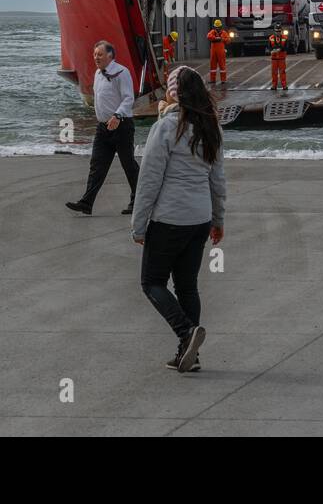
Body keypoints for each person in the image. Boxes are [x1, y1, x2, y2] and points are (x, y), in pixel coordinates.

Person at [131, 65, 225, 373]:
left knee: (151, 282)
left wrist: (139, 224)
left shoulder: (167, 127)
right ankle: (190, 355)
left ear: (173, 94)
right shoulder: (211, 126)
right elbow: (217, 178)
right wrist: (217, 219)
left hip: (169, 218)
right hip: (199, 219)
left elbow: (149, 180)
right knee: (187, 286)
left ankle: (186, 332)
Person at [66, 40, 139, 216]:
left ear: (110, 55)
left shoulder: (122, 72)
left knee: (128, 163)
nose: (96, 57)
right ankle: (86, 203)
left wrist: (118, 115)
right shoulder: (98, 73)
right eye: (94, 54)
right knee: (97, 164)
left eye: (99, 54)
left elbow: (129, 98)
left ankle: (138, 200)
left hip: (121, 126)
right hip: (103, 128)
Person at [206, 19, 228, 86]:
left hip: (221, 52)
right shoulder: (212, 32)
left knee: (222, 66)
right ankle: (213, 80)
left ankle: (223, 80)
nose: (217, 28)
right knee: (213, 66)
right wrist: (216, 38)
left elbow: (228, 40)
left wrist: (222, 39)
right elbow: (208, 36)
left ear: (221, 27)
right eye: (216, 27)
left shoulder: (224, 33)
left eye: (218, 27)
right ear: (215, 27)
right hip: (213, 52)